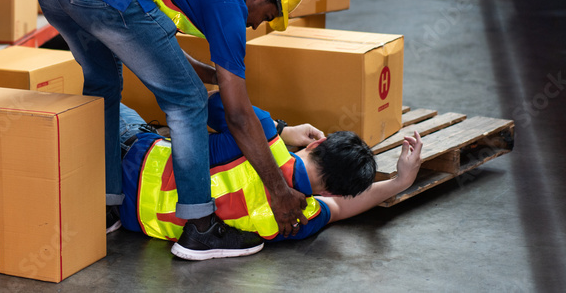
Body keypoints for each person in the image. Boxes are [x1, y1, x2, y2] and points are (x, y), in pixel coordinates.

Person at [37, 0, 310, 260]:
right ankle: (200, 226)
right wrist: (280, 192)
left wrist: (213, 73)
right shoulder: (229, 0)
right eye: (267, 16)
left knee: (103, 88)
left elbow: (151, 43)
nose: (257, 25)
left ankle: (102, 206)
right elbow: (239, 117)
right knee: (189, 101)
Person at [118, 95, 424, 260]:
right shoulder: (299, 219)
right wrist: (401, 181)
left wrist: (282, 130)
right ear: (330, 193)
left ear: (316, 144)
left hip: (130, 155)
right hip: (126, 214)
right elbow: (342, 208)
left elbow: (208, 104)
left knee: (104, 95)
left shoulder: (261, 129)